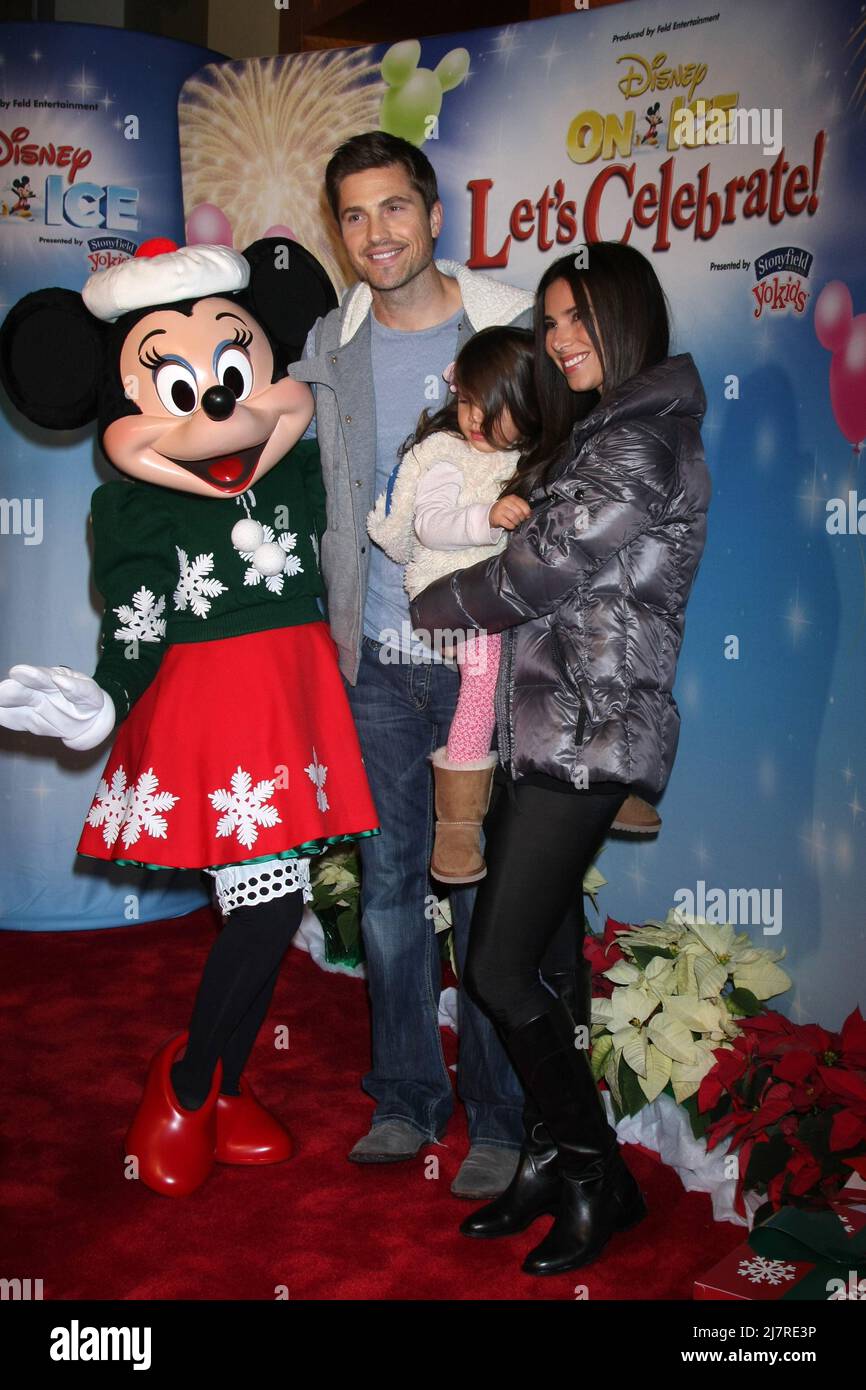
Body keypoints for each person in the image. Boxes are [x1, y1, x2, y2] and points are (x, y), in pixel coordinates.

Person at [0, 237, 379, 1197]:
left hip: (292, 704)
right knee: (265, 913)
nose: (216, 406)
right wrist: (105, 697)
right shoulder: (135, 510)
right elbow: (137, 616)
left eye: (234, 373)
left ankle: (219, 1085)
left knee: (277, 904)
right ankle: (184, 1085)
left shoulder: (292, 471)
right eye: (176, 388)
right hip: (214, 722)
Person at [410, 241, 712, 1273]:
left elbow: (539, 570)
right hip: (547, 726)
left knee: (494, 963)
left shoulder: (640, 441)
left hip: (590, 732)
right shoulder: (602, 431)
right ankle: (550, 1154)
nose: (561, 338)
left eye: (580, 316)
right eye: (550, 320)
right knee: (535, 959)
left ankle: (598, 1176)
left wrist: (430, 602)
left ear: (627, 321)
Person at [288, 131, 532, 1196]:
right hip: (375, 660)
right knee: (387, 889)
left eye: (394, 208)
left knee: (481, 893)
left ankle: (497, 1113)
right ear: (336, 231)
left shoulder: (507, 329)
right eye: (352, 214)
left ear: (433, 215)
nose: (376, 233)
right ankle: (402, 1096)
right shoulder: (325, 348)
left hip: (487, 661)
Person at [366, 325, 536, 885]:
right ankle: (458, 823)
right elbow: (429, 526)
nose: (473, 421)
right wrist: (485, 519)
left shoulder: (530, 459)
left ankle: (601, 771)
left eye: (490, 408)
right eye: (465, 403)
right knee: (484, 672)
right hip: (450, 592)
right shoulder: (446, 455)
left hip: (502, 593)